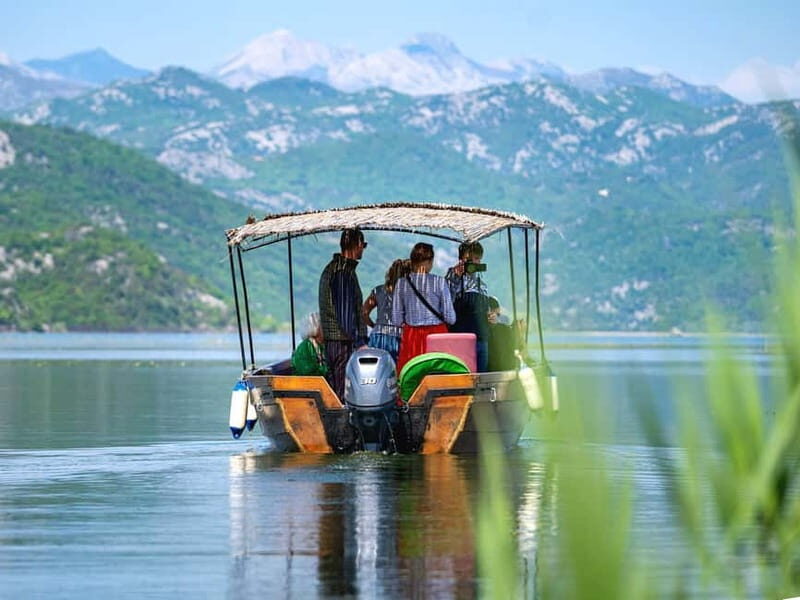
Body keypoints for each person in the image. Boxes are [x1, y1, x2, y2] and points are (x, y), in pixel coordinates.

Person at [319, 228, 369, 399]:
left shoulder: (339, 269)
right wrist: (360, 342)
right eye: (364, 245)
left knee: (339, 389)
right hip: (341, 343)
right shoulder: (342, 273)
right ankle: (342, 423)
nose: (363, 249)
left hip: (337, 341)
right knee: (343, 391)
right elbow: (345, 313)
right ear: (357, 245)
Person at [392, 242, 456, 373]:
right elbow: (451, 318)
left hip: (412, 336)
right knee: (437, 375)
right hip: (437, 336)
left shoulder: (402, 284)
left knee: (412, 376)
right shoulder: (439, 282)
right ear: (429, 261)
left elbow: (396, 320)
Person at [446, 241, 491, 372]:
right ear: (461, 260)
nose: (475, 263)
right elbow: (446, 302)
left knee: (481, 377)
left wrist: (491, 316)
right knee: (462, 376)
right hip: (461, 338)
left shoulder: (481, 284)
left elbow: (486, 311)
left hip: (482, 338)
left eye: (477, 259)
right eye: (470, 259)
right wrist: (455, 276)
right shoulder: (451, 280)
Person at [362, 258, 409, 363]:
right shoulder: (408, 293)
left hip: (378, 336)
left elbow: (364, 313)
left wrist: (374, 326)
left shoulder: (378, 290)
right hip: (399, 337)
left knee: (377, 370)